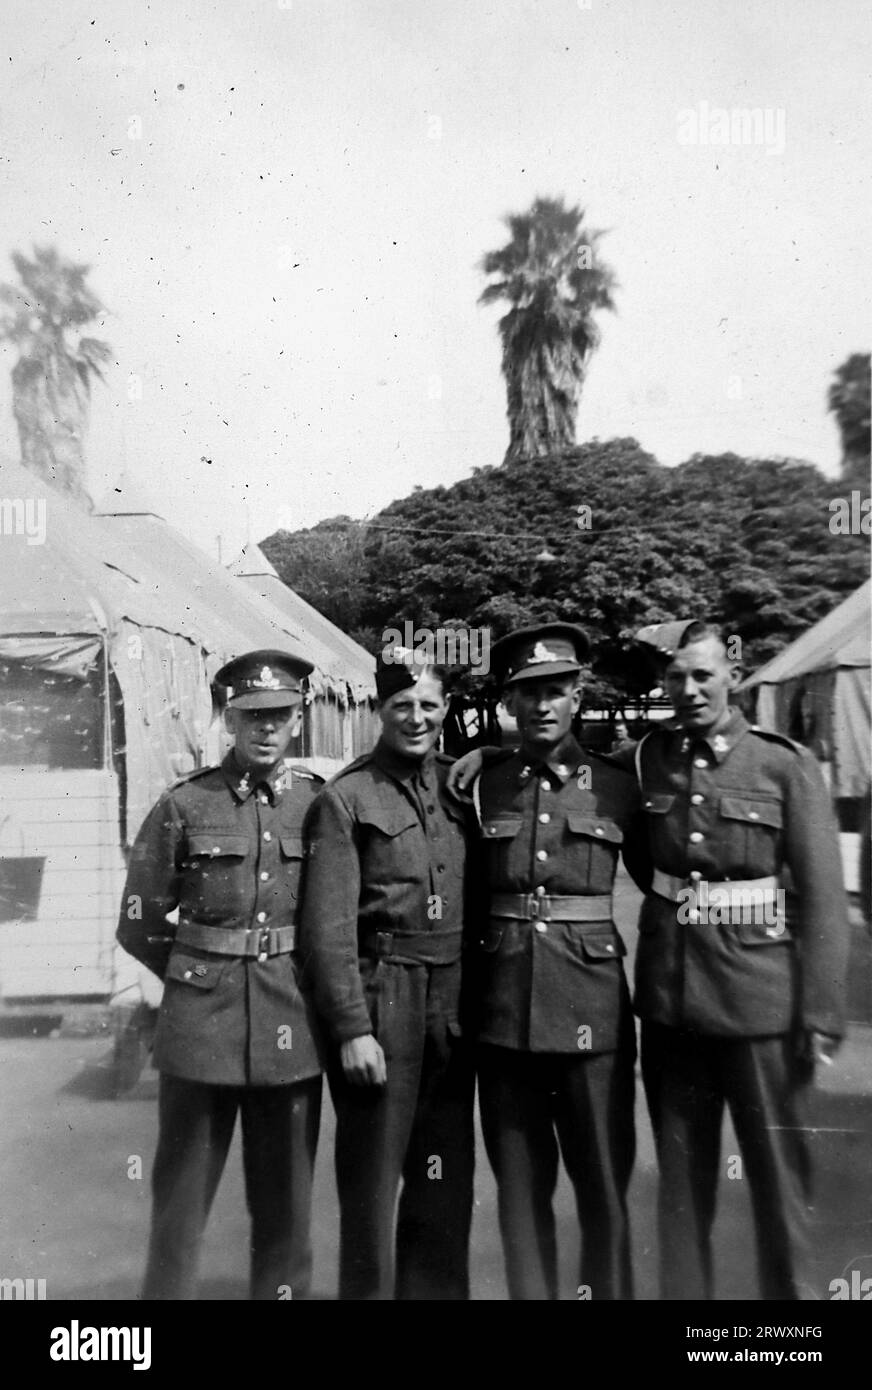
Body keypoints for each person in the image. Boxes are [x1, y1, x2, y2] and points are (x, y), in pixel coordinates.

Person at [624, 619, 849, 1300]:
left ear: (735, 669)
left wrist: (820, 1012)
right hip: (672, 1009)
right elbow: (644, 861)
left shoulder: (784, 764)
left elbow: (822, 898)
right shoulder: (648, 759)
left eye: (702, 675)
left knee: (780, 1183)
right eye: (675, 678)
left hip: (761, 1008)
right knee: (681, 1193)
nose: (688, 690)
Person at [117, 649, 324, 1300]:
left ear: (298, 718)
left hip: (290, 1026)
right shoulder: (184, 805)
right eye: (251, 716)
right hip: (198, 1031)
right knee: (180, 1206)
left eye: (280, 715)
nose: (266, 729)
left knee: (287, 1207)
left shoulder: (319, 808)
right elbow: (137, 917)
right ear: (228, 720)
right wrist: (195, 970)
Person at [467, 623, 648, 1300]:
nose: (542, 705)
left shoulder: (617, 786)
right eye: (527, 693)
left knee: (603, 1188)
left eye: (555, 691)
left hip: (592, 1020)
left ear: (577, 695)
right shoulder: (482, 785)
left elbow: (669, 881)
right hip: (505, 1019)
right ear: (510, 703)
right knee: (520, 1195)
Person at [299, 646, 476, 1300]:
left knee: (443, 1180)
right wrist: (350, 1028)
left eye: (429, 704)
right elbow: (326, 928)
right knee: (372, 1188)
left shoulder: (462, 786)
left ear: (447, 709)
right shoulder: (346, 798)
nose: (416, 717)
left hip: (452, 1005)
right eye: (402, 705)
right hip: (384, 1000)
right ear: (380, 710)